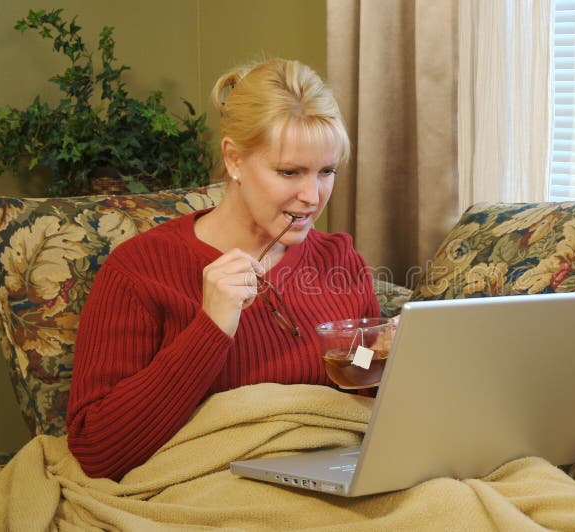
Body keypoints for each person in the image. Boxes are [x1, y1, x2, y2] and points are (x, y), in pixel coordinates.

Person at [66, 58, 380, 480]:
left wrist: (382, 357)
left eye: (327, 172)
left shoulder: (338, 260)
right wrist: (209, 329)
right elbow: (96, 449)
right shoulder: (139, 270)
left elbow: (357, 372)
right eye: (290, 172)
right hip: (215, 486)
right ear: (233, 159)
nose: (312, 195)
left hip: (338, 471)